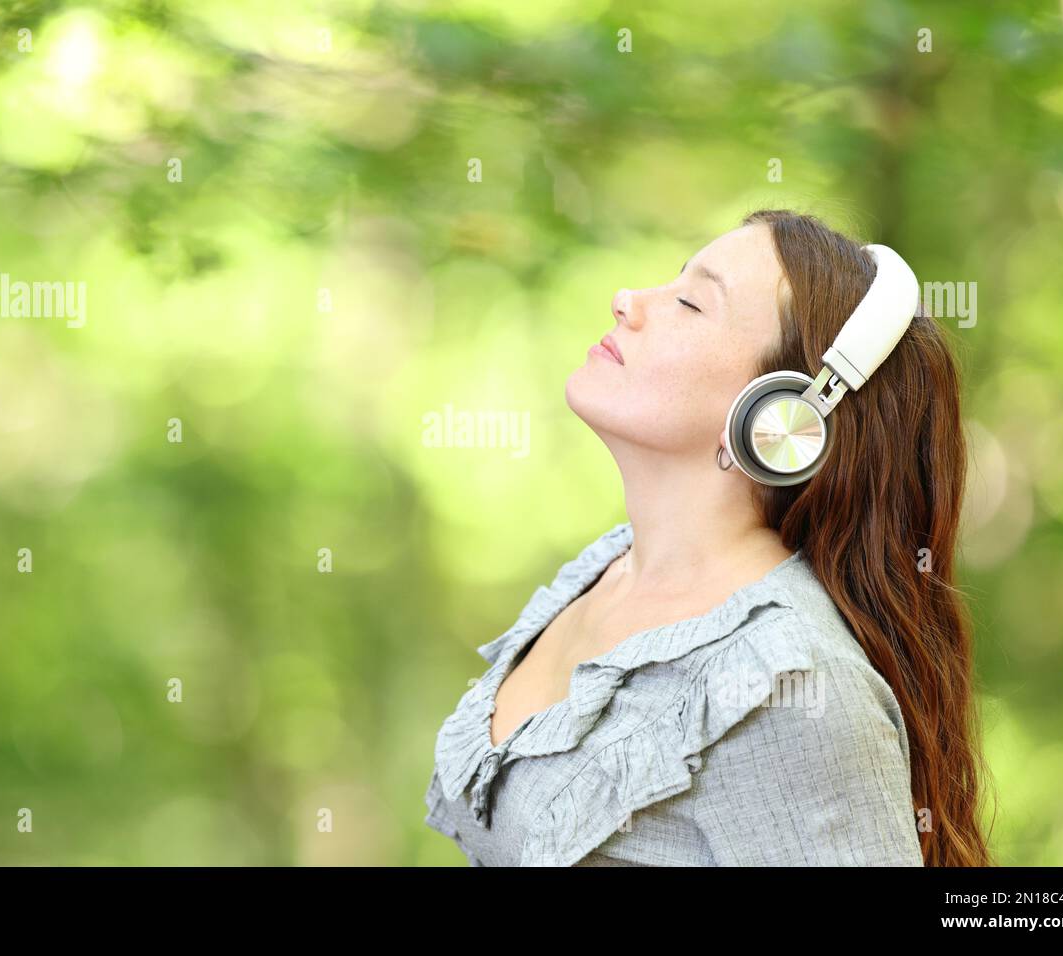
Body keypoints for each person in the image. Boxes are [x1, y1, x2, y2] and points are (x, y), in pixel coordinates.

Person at [423, 208, 994, 866]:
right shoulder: (600, 572)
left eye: (691, 303)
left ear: (780, 418)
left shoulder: (791, 685)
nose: (627, 301)